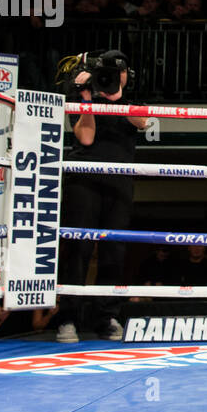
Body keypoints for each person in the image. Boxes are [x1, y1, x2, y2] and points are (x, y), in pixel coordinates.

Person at [54, 50, 149, 341]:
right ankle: (67, 317)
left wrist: (115, 99)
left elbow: (143, 122)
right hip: (84, 178)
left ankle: (106, 316)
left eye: (119, 71)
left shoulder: (132, 96)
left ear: (126, 75)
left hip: (119, 180)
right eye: (108, 70)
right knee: (78, 248)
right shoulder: (80, 92)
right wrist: (86, 98)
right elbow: (85, 138)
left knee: (114, 250)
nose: (113, 76)